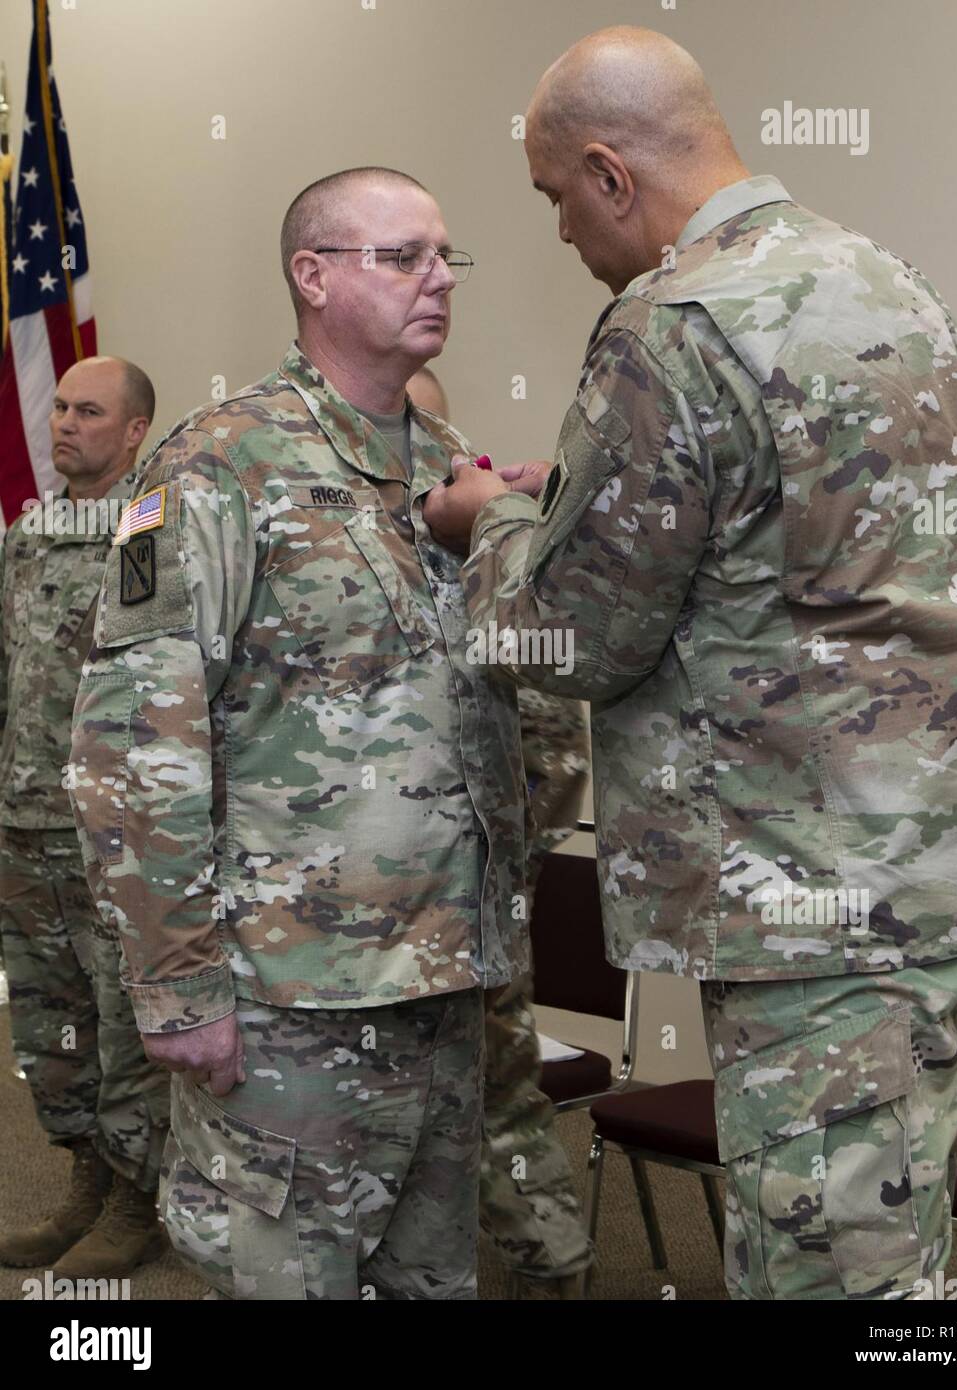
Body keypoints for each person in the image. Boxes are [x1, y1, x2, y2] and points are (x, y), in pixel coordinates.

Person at [424, 26, 957, 1301]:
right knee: (899, 1261)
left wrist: (492, 528)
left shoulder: (669, 325)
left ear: (606, 173)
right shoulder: (880, 279)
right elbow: (784, 542)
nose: (558, 238)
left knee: (831, 1287)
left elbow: (577, 637)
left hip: (812, 911)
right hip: (948, 873)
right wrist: (575, 513)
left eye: (551, 200)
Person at [68, 168, 528, 1301]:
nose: (436, 279)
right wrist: (176, 987)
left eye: (444, 257)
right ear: (311, 276)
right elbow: (133, 738)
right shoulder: (212, 465)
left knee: (433, 1281)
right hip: (290, 1000)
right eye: (400, 255)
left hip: (439, 981)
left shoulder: (444, 466)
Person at [407, 366, 594, 1296]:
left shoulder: (493, 542)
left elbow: (559, 743)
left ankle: (553, 1274)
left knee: (498, 1102)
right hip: (360, 910)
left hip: (473, 894)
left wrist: (497, 857)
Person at [0, 356, 169, 1278]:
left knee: (124, 1023)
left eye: (89, 410)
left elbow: (162, 683)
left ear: (135, 428)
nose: (65, 422)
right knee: (50, 1021)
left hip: (112, 830)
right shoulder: (30, 530)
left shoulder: (147, 530)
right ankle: (83, 1187)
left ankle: (136, 1204)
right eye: (59, 405)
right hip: (24, 821)